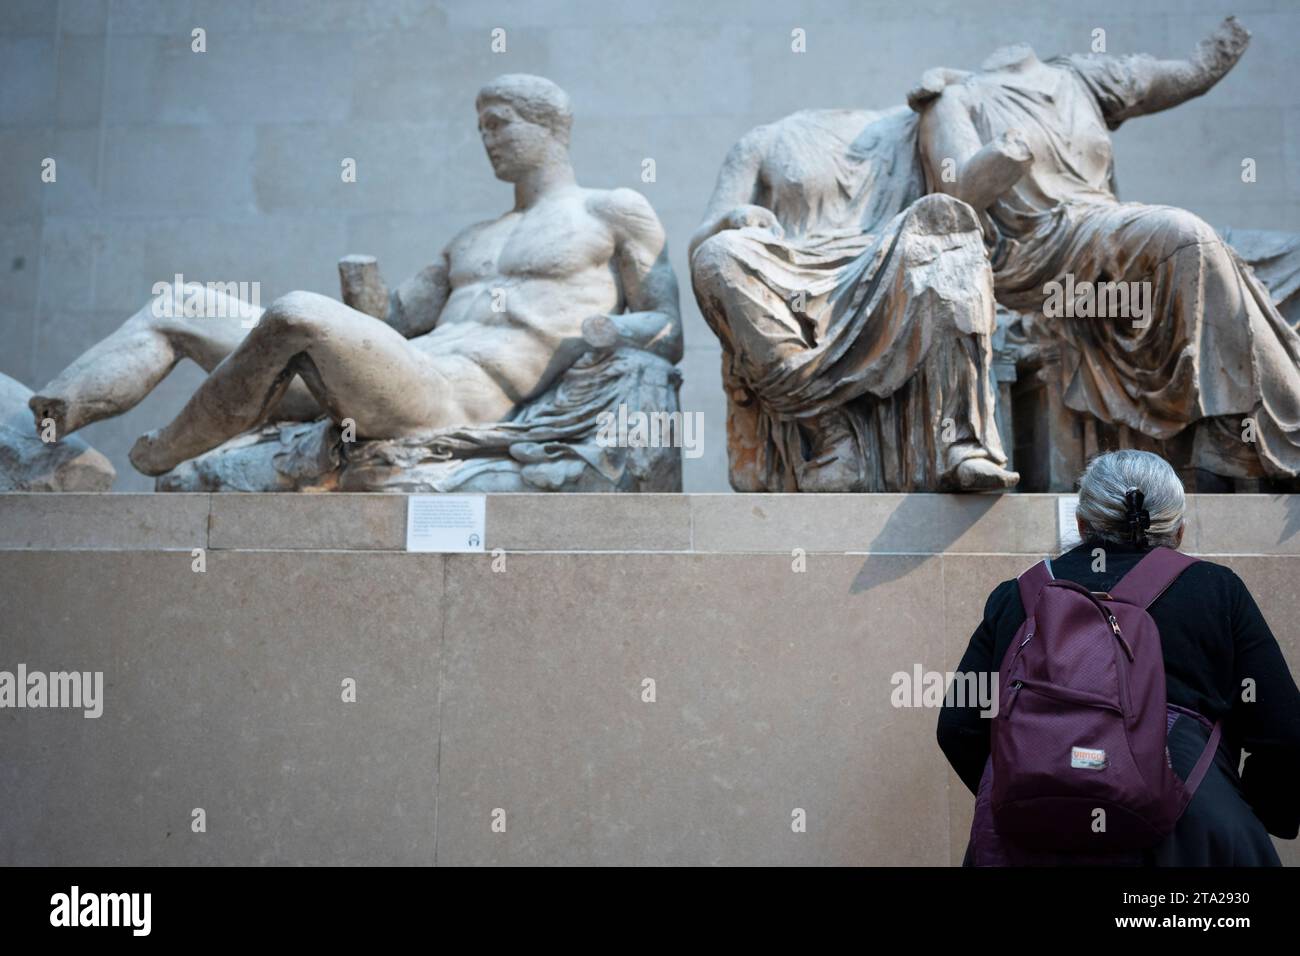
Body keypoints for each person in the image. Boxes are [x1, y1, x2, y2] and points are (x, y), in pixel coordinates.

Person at [30, 74, 681, 477]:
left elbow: (669, 330)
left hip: (460, 398)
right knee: (179, 305)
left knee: (294, 314)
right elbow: (387, 327)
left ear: (548, 127)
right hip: (394, 378)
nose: (485, 139)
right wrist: (362, 295)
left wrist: (606, 332)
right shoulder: (470, 241)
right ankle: (51, 417)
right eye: (479, 126)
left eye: (498, 124)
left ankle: (168, 449)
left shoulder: (613, 210)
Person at [913, 18, 1300, 483]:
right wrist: (1003, 155)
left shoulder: (1079, 79)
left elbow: (1190, 74)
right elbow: (956, 197)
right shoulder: (956, 99)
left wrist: (1236, 34)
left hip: (1110, 230)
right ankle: (1262, 427)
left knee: (1288, 257)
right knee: (1184, 234)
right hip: (1046, 255)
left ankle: (1235, 418)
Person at [939, 449, 1300, 864]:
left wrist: (1030, 788)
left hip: (1031, 845)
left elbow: (957, 726)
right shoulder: (1217, 590)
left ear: (1080, 523)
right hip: (1187, 839)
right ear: (1178, 532)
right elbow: (1285, 733)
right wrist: (1255, 808)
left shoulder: (1016, 597)